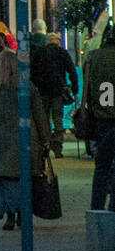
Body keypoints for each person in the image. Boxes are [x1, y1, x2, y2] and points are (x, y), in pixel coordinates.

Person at [0, 45, 51, 229]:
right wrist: (46, 138)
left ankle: (9, 214)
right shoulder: (27, 85)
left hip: (0, 142)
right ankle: (23, 214)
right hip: (27, 140)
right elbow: (39, 113)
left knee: (5, 181)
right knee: (25, 180)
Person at [30, 30, 79, 158]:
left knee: (44, 118)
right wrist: (75, 89)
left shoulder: (39, 53)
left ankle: (45, 145)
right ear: (57, 41)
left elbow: (32, 72)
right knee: (58, 118)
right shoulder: (62, 52)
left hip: (42, 90)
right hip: (58, 91)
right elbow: (72, 71)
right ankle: (57, 147)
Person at [84, 28, 115, 211]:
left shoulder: (93, 57)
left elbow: (87, 90)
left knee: (101, 166)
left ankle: (97, 206)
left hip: (101, 119)